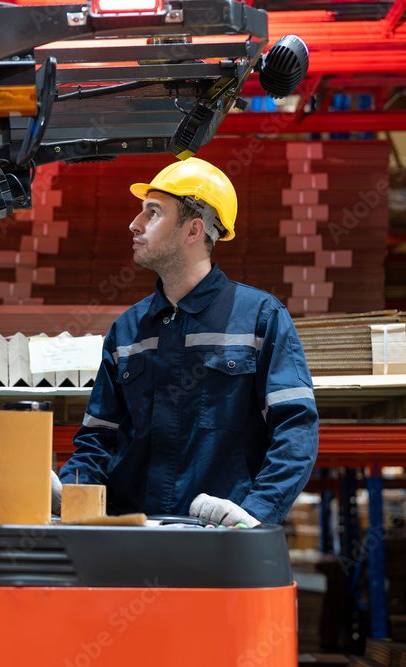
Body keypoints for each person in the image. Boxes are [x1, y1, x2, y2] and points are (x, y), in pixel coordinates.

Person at [55, 157, 319, 527]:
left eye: (153, 212)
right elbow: (98, 441)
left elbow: (295, 431)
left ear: (193, 230)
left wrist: (256, 513)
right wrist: (71, 492)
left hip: (220, 541)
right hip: (132, 539)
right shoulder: (128, 330)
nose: (134, 224)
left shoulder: (260, 318)